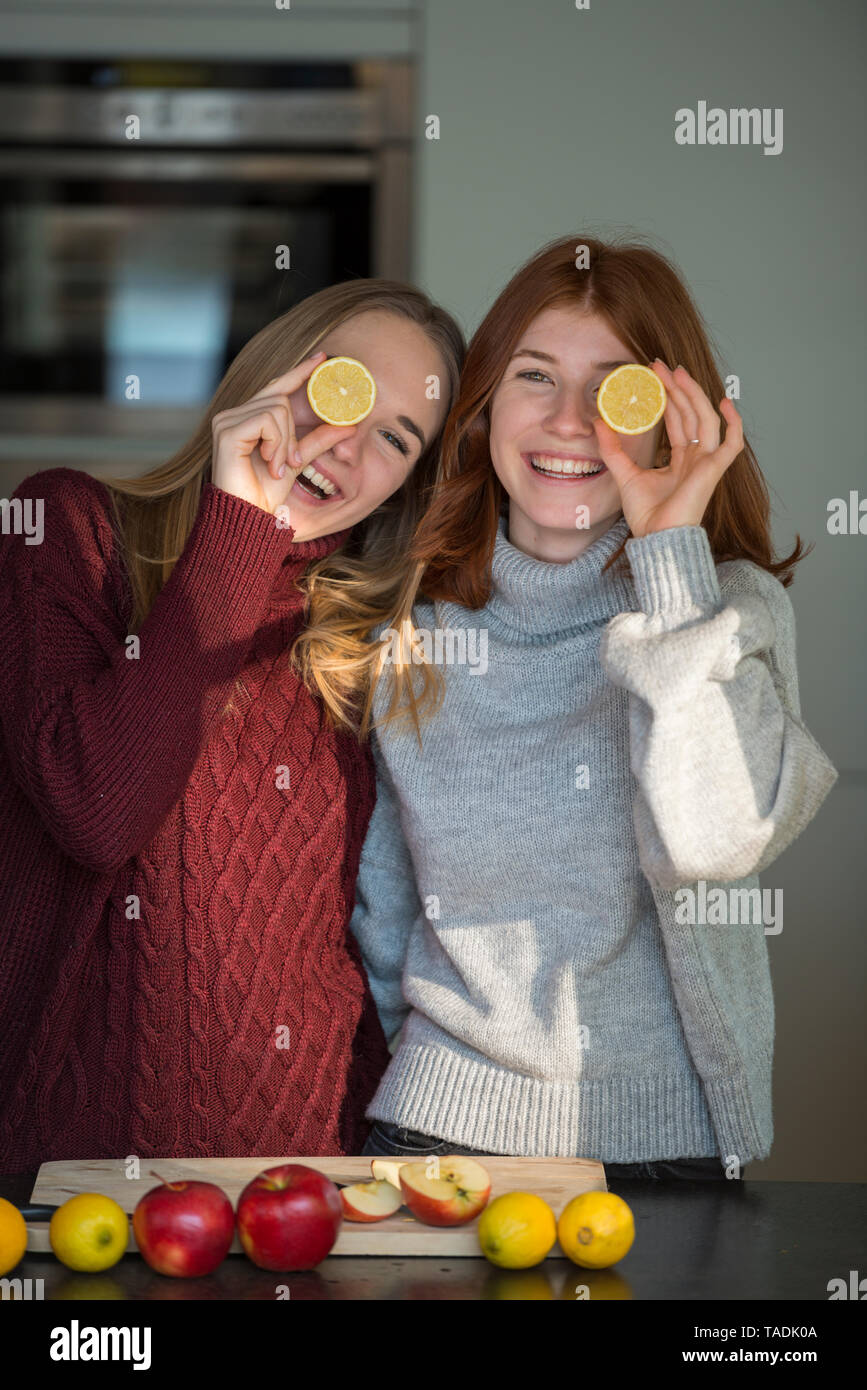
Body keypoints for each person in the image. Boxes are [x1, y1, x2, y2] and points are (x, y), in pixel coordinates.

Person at [348, 236, 838, 1180]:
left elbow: (716, 839)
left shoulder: (726, 609)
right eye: (534, 376)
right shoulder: (407, 629)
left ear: (670, 422)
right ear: (484, 402)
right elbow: (386, 910)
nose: (569, 422)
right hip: (432, 1129)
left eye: (615, 390)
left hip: (666, 1147)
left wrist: (670, 559)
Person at [0, 278, 464, 1170]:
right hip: (65, 1181)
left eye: (397, 438)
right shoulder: (66, 529)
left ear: (407, 483)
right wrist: (240, 525)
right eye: (345, 388)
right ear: (273, 369)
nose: (345, 442)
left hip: (305, 1188)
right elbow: (98, 812)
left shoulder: (368, 644)